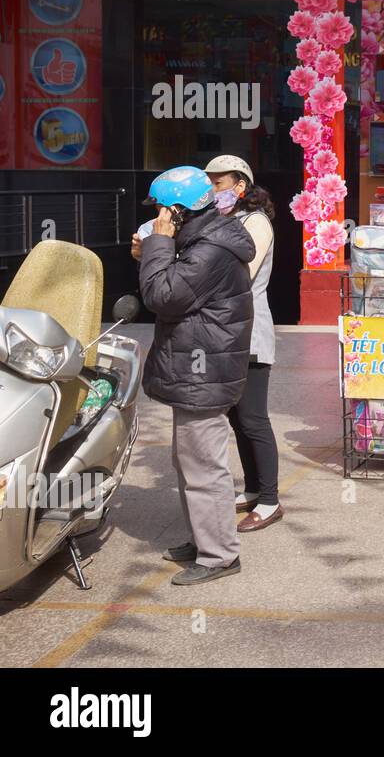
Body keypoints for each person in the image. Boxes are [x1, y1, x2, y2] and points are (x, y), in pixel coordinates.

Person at [137, 166, 254, 585]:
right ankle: (203, 538)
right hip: (198, 366)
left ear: (177, 210)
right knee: (188, 461)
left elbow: (162, 296)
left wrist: (158, 244)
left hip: (203, 370)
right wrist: (155, 249)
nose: (156, 217)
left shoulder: (208, 250)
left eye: (160, 210)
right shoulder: (203, 238)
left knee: (204, 466)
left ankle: (220, 554)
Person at [204, 155, 283, 533]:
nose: (212, 190)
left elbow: (239, 273)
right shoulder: (222, 220)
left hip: (250, 330)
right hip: (226, 331)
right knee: (237, 419)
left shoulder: (256, 222)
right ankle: (252, 489)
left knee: (253, 418)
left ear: (241, 185)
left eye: (219, 183)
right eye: (210, 183)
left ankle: (269, 501)